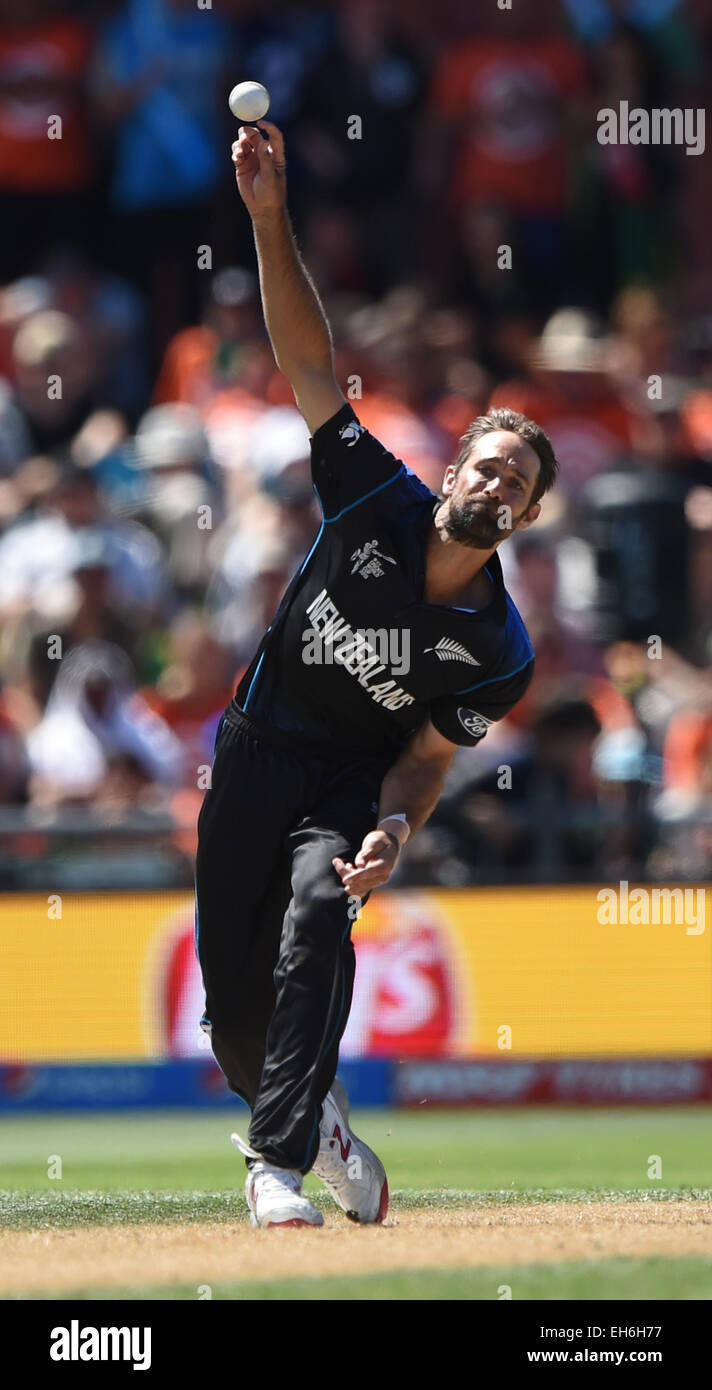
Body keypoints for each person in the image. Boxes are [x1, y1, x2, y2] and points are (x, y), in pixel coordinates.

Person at [195, 121, 559, 1229]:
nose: (495, 484)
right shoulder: (372, 498)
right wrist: (267, 217)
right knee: (230, 1017)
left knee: (318, 907)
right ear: (455, 466)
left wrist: (395, 834)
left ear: (528, 517)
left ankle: (275, 1165)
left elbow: (426, 761)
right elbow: (308, 360)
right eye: (488, 463)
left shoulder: (498, 653)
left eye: (518, 484)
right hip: (257, 748)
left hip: (348, 782)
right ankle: (324, 1123)